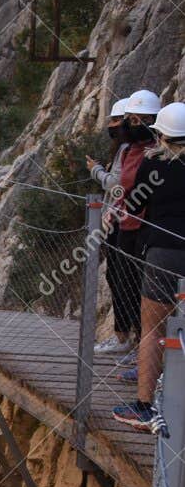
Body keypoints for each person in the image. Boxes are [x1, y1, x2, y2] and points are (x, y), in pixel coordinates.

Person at [112, 101, 185, 430]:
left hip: (162, 251)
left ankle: (144, 407)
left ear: (161, 135)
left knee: (153, 329)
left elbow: (135, 202)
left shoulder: (152, 166)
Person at [87, 94, 156, 359]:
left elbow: (118, 186)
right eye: (123, 119)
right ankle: (127, 339)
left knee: (131, 281)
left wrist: (96, 172)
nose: (119, 125)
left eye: (122, 120)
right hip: (120, 221)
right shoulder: (126, 149)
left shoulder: (146, 151)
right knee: (118, 278)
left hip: (135, 225)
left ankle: (136, 342)